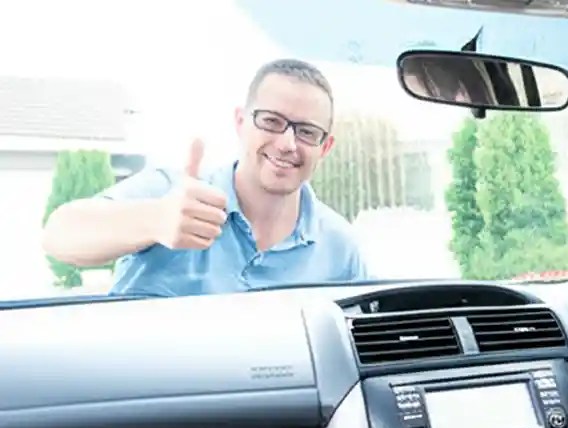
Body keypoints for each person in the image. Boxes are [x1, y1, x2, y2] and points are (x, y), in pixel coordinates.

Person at [41, 59, 370, 297]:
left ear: (325, 147)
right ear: (240, 122)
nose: (287, 143)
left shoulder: (341, 249)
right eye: (271, 121)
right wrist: (154, 220)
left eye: (307, 132)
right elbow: (59, 235)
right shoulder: (173, 194)